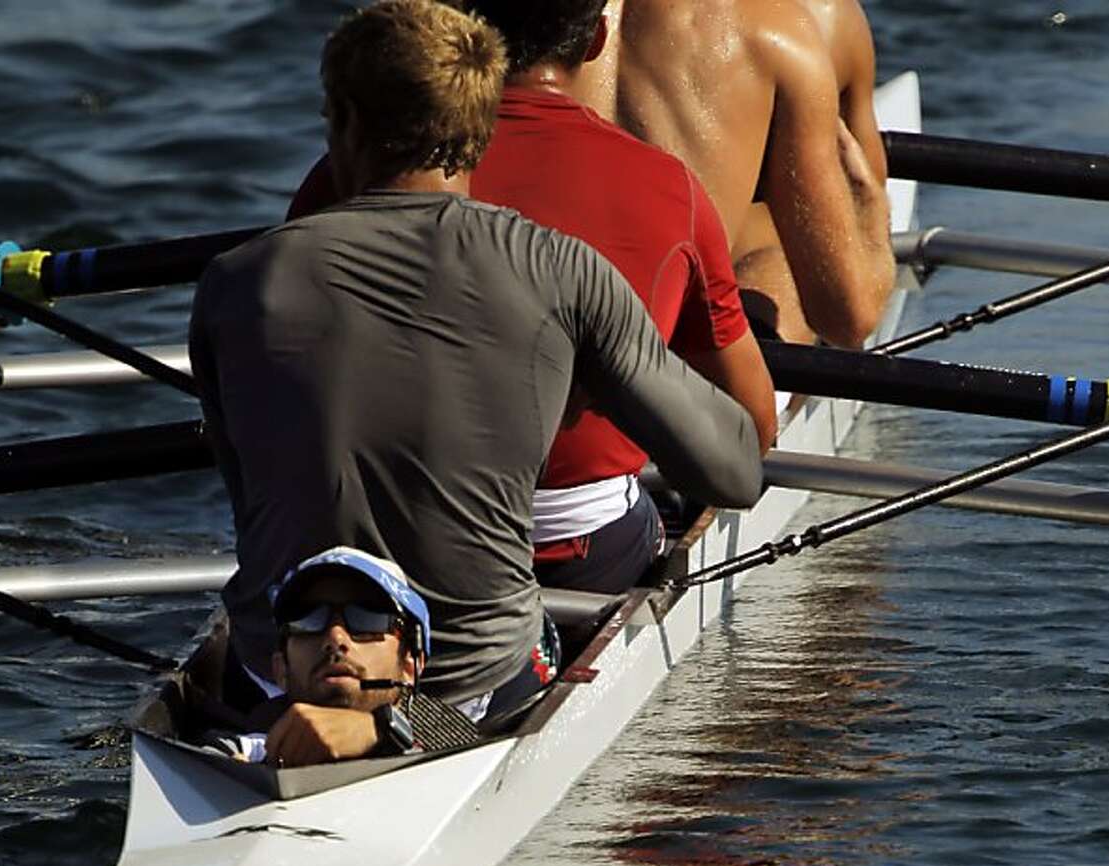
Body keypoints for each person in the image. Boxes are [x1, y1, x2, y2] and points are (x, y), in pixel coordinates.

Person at [190, 0, 763, 713]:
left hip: (280, 667)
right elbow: (734, 471)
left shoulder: (235, 283)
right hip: (469, 682)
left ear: (345, 123)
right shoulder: (561, 270)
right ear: (478, 125)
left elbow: (249, 490)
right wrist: (586, 372)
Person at [288, 0, 780, 593]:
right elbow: (754, 427)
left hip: (379, 539)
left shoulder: (356, 174)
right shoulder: (670, 186)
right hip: (577, 546)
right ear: (598, 40)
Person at [588, 0, 896, 347]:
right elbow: (848, 319)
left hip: (552, 312)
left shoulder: (549, 19)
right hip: (673, 350)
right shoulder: (805, 24)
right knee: (775, 268)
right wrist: (872, 213)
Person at [213, 547, 438, 767]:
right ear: (281, 668)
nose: (335, 638)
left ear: (410, 665)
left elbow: (455, 738)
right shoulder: (242, 754)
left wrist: (382, 730)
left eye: (366, 619)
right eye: (307, 620)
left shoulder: (451, 754)